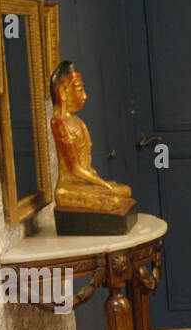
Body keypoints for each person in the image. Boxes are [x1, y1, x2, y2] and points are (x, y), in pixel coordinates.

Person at [48, 60, 133, 214]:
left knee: (125, 191)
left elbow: (86, 166)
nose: (85, 96)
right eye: (80, 90)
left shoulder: (77, 121)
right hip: (68, 187)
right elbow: (75, 169)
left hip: (85, 182)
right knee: (112, 200)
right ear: (63, 92)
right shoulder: (59, 123)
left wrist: (100, 184)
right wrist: (102, 184)